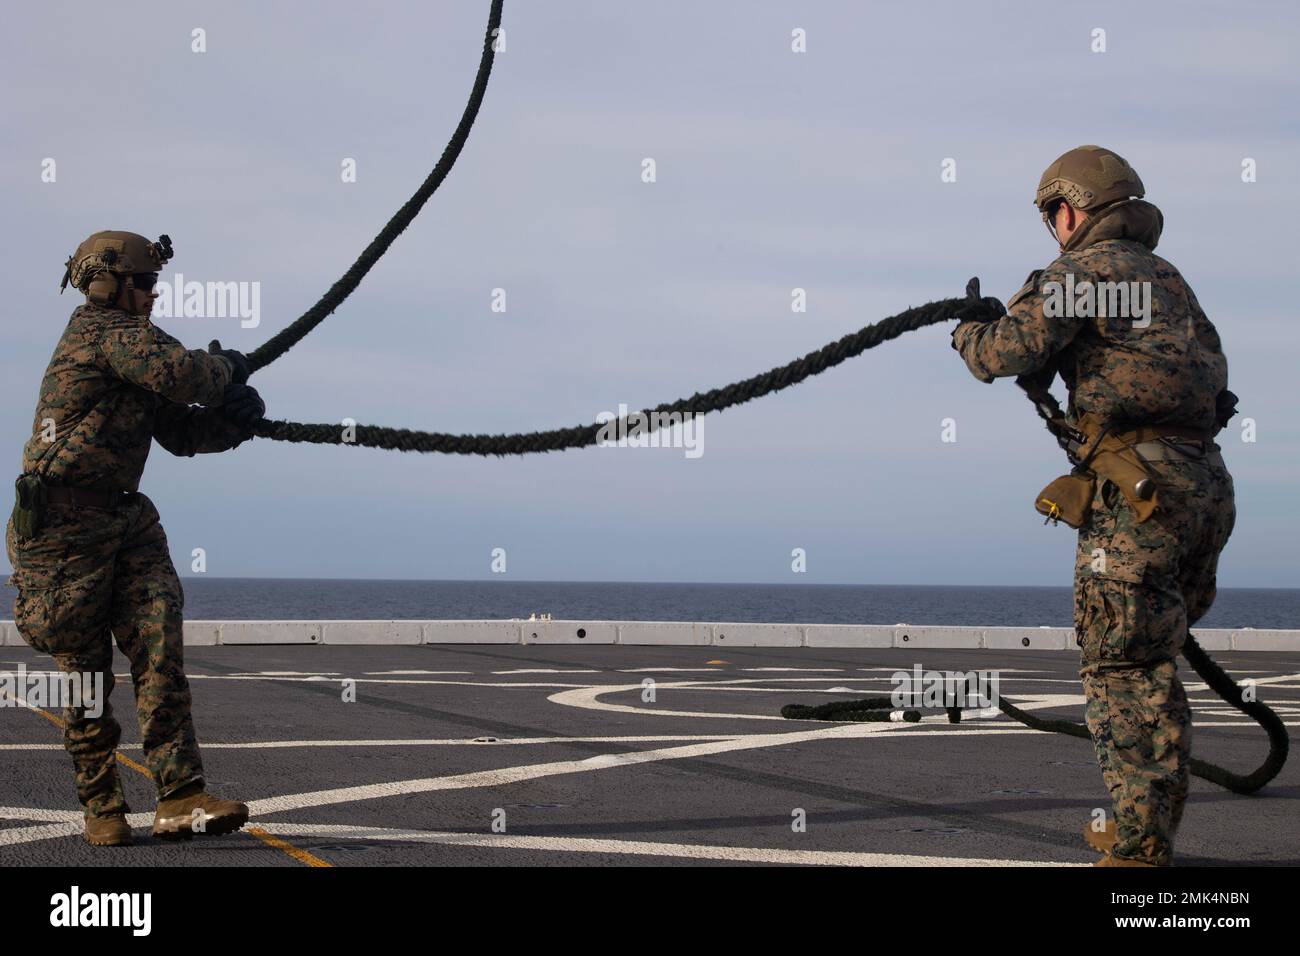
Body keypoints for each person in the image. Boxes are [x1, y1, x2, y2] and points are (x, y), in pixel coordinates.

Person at [951, 147, 1237, 866]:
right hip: (1201, 488)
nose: (1055, 227)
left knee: (1124, 673)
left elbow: (1004, 352)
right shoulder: (1168, 281)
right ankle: (1144, 829)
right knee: (1151, 662)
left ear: (1072, 208)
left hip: (1138, 496)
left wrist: (967, 330)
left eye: (1054, 213)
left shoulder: (1082, 273)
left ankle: (1139, 849)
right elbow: (1208, 381)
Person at [6, 230, 265, 846]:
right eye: (144, 283)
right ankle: (102, 807)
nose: (153, 294)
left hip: (123, 518)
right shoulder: (101, 333)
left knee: (159, 643)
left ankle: (179, 795)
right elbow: (183, 373)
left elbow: (179, 431)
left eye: (155, 284)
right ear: (105, 283)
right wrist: (226, 369)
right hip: (63, 527)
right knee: (85, 670)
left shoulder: (133, 347)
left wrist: (233, 422)